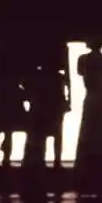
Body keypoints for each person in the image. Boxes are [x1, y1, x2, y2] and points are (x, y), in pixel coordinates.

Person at [22, 40, 71, 169]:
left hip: (41, 104)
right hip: (54, 104)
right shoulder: (58, 77)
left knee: (39, 134)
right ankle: (56, 160)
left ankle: (39, 160)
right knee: (56, 133)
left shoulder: (38, 76)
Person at [74, 41, 102, 173]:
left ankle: (87, 159)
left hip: (91, 94)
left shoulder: (83, 59)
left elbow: (80, 71)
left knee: (88, 127)